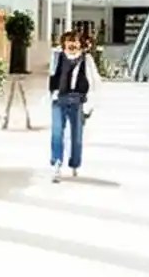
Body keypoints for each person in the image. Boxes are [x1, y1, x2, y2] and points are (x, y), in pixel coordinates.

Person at [48, 31, 101, 183]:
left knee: (76, 135)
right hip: (59, 100)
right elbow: (52, 76)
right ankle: (56, 162)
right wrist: (51, 94)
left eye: (75, 42)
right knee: (57, 132)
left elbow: (95, 81)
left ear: (80, 44)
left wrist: (90, 105)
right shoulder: (57, 56)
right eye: (68, 41)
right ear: (63, 43)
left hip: (78, 101)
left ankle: (75, 163)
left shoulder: (86, 59)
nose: (72, 45)